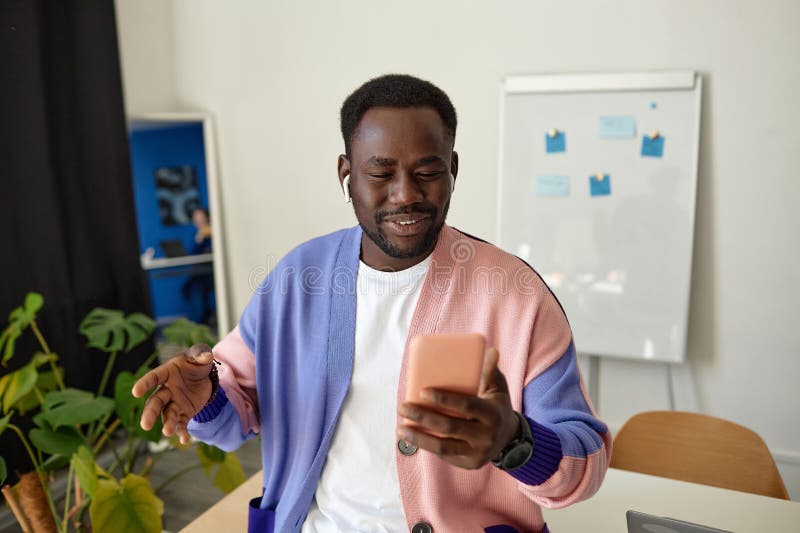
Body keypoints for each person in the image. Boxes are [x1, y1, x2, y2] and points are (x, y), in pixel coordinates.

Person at [132, 74, 611, 533]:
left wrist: (514, 442)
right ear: (346, 173)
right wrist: (210, 397)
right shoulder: (297, 280)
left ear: (453, 169)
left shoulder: (516, 296)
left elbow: (585, 468)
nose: (406, 195)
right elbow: (234, 419)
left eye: (427, 172)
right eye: (380, 173)